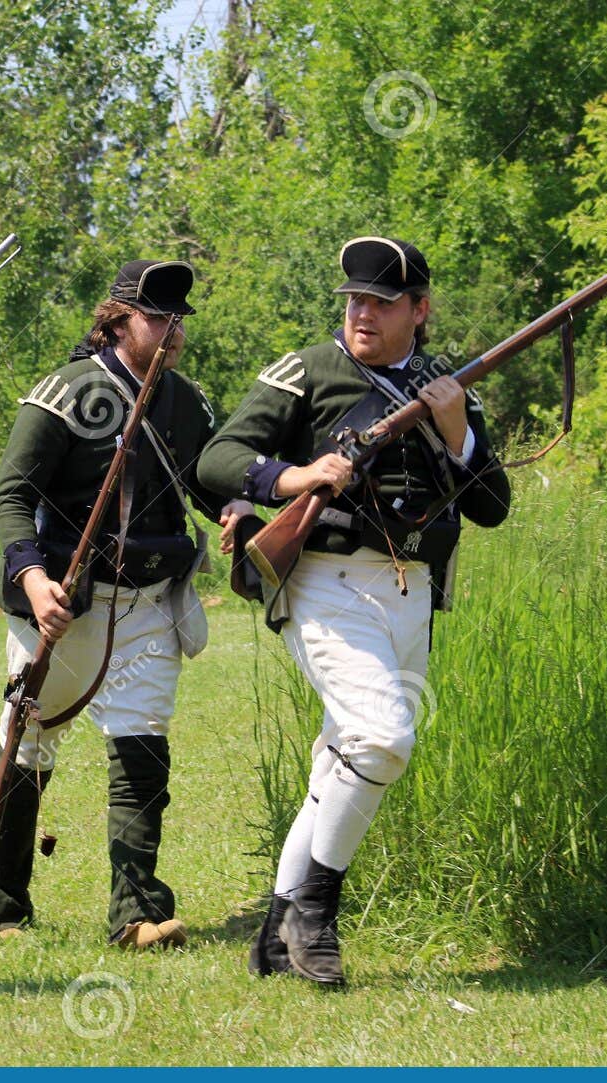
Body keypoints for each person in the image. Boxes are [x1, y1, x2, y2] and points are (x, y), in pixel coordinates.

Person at [199, 237, 511, 986]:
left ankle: (277, 932)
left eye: (381, 301)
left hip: (414, 592)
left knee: (341, 759)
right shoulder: (308, 369)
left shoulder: (445, 384)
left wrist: (456, 429)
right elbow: (214, 460)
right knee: (381, 738)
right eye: (353, 300)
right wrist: (297, 474)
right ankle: (317, 911)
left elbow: (493, 503)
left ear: (420, 309)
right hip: (327, 582)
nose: (362, 312)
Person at [0, 259, 235, 948]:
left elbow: (204, 482)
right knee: (29, 747)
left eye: (177, 320)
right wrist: (35, 579)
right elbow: (12, 496)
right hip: (67, 604)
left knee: (142, 747)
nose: (170, 332)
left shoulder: (185, 402)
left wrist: (240, 509)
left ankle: (136, 913)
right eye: (157, 318)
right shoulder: (64, 393)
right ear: (117, 319)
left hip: (151, 601)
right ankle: (2, 902)